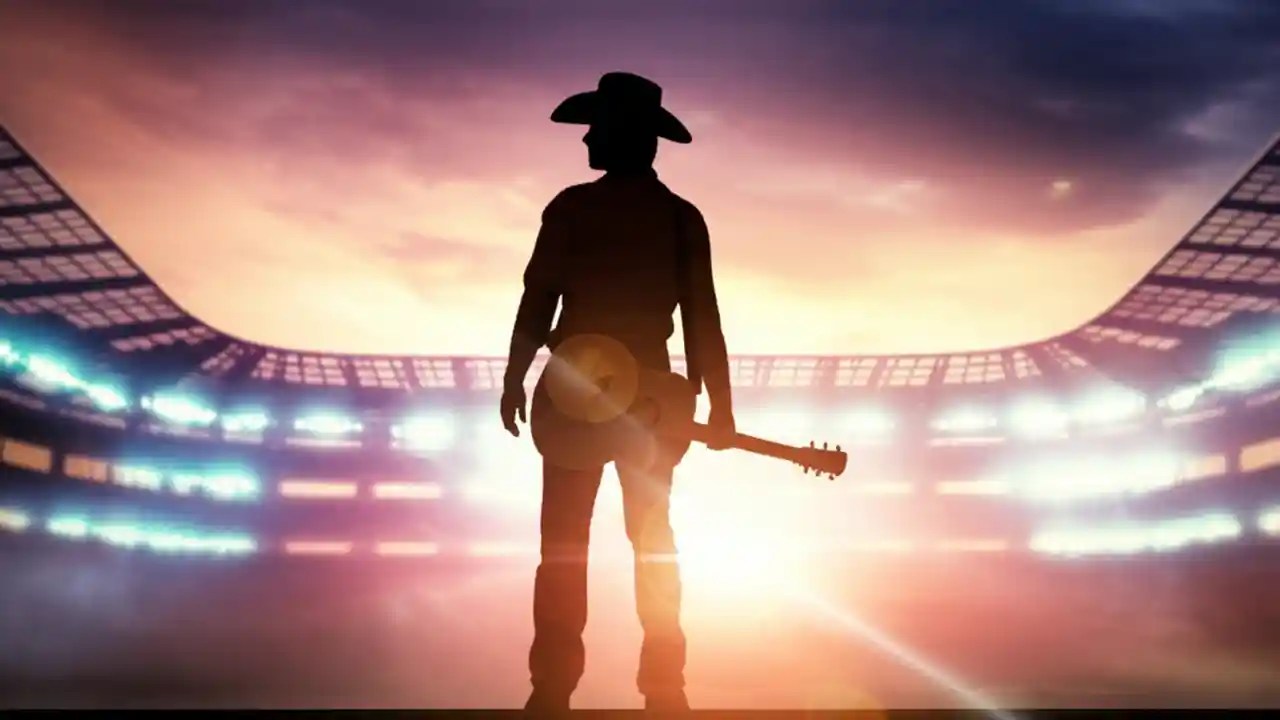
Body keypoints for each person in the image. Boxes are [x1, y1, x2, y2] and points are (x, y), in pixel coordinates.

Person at [499, 71, 736, 713]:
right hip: (654, 403)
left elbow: (536, 301)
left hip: (575, 398)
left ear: (620, 135)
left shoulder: (571, 209)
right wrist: (720, 405)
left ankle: (551, 690)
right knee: (653, 542)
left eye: (596, 128)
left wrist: (514, 376)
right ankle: (665, 689)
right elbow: (702, 318)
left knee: (563, 548)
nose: (586, 141)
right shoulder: (681, 219)